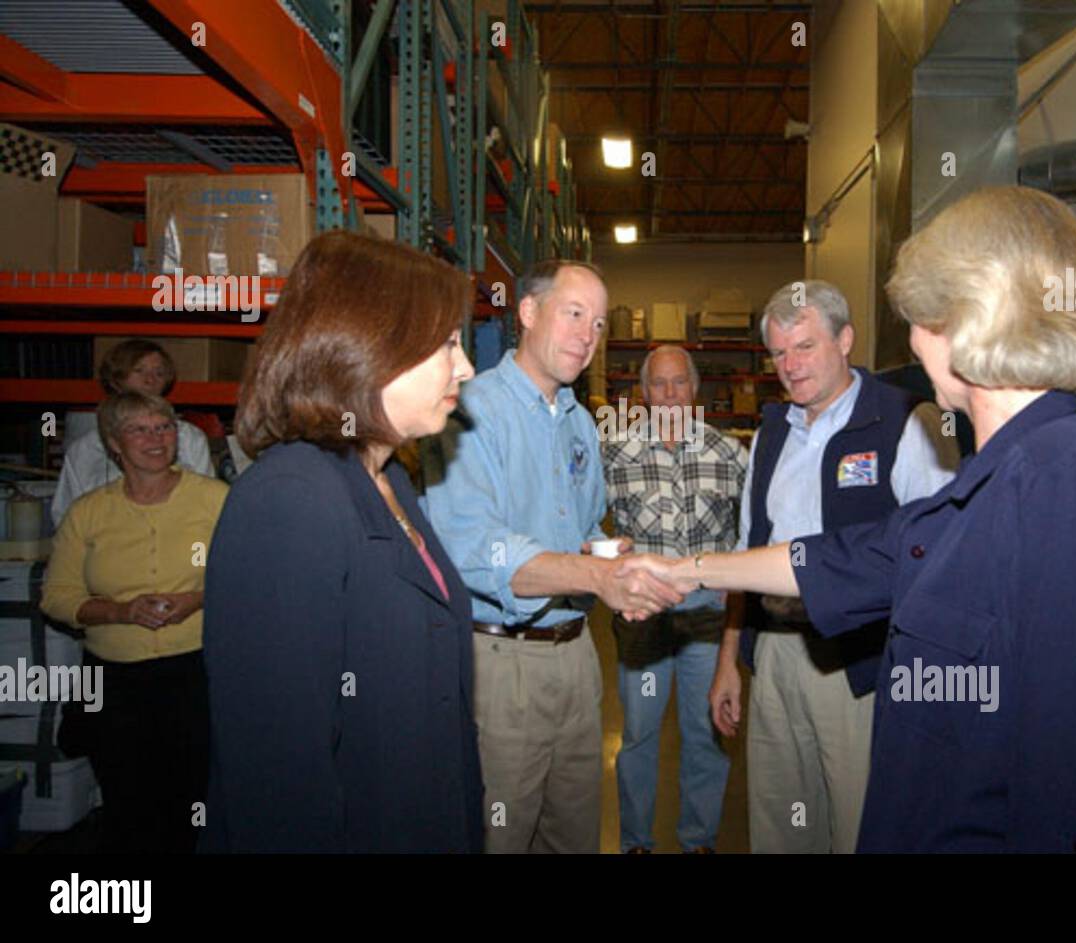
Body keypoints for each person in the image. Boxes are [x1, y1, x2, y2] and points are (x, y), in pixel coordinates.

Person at [624, 186, 1076, 852]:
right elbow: (850, 557)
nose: (916, 341)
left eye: (925, 318)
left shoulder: (1068, 481)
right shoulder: (1004, 470)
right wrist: (680, 568)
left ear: (976, 322)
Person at [200, 230, 482, 853]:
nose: (464, 367)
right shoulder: (290, 502)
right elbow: (277, 783)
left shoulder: (389, 483)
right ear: (370, 347)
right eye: (447, 344)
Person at [422, 259, 683, 854]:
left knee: (573, 833)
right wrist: (597, 574)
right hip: (502, 661)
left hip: (576, 657)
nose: (587, 336)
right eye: (574, 314)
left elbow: (585, 526)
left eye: (597, 324)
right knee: (501, 833)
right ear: (529, 313)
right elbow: (474, 547)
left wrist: (612, 557)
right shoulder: (468, 412)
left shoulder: (578, 423)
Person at [709, 279, 958, 854]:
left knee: (858, 823)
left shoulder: (905, 422)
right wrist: (730, 659)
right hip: (775, 653)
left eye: (805, 347)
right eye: (779, 353)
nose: (790, 367)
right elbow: (751, 550)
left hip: (857, 663)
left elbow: (937, 562)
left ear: (845, 339)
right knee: (780, 820)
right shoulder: (772, 432)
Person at [41, 391, 227, 853]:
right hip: (114, 684)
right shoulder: (89, 513)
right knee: (128, 805)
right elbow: (57, 597)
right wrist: (120, 611)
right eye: (139, 429)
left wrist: (196, 599)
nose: (155, 438)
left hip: (195, 674)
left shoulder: (216, 500)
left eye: (164, 427)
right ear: (113, 443)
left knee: (193, 801)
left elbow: (254, 579)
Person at [602, 345, 748, 854]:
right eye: (658, 385)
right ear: (643, 394)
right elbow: (580, 526)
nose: (669, 395)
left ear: (694, 389)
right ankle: (636, 843)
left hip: (707, 621)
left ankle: (699, 842)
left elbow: (750, 538)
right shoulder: (615, 455)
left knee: (706, 735)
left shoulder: (729, 454)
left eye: (678, 383)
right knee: (639, 736)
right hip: (644, 623)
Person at [52, 339, 214, 526]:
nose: (150, 380)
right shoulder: (85, 449)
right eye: (139, 371)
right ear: (116, 379)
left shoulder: (190, 438)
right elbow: (65, 518)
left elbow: (206, 505)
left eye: (159, 373)